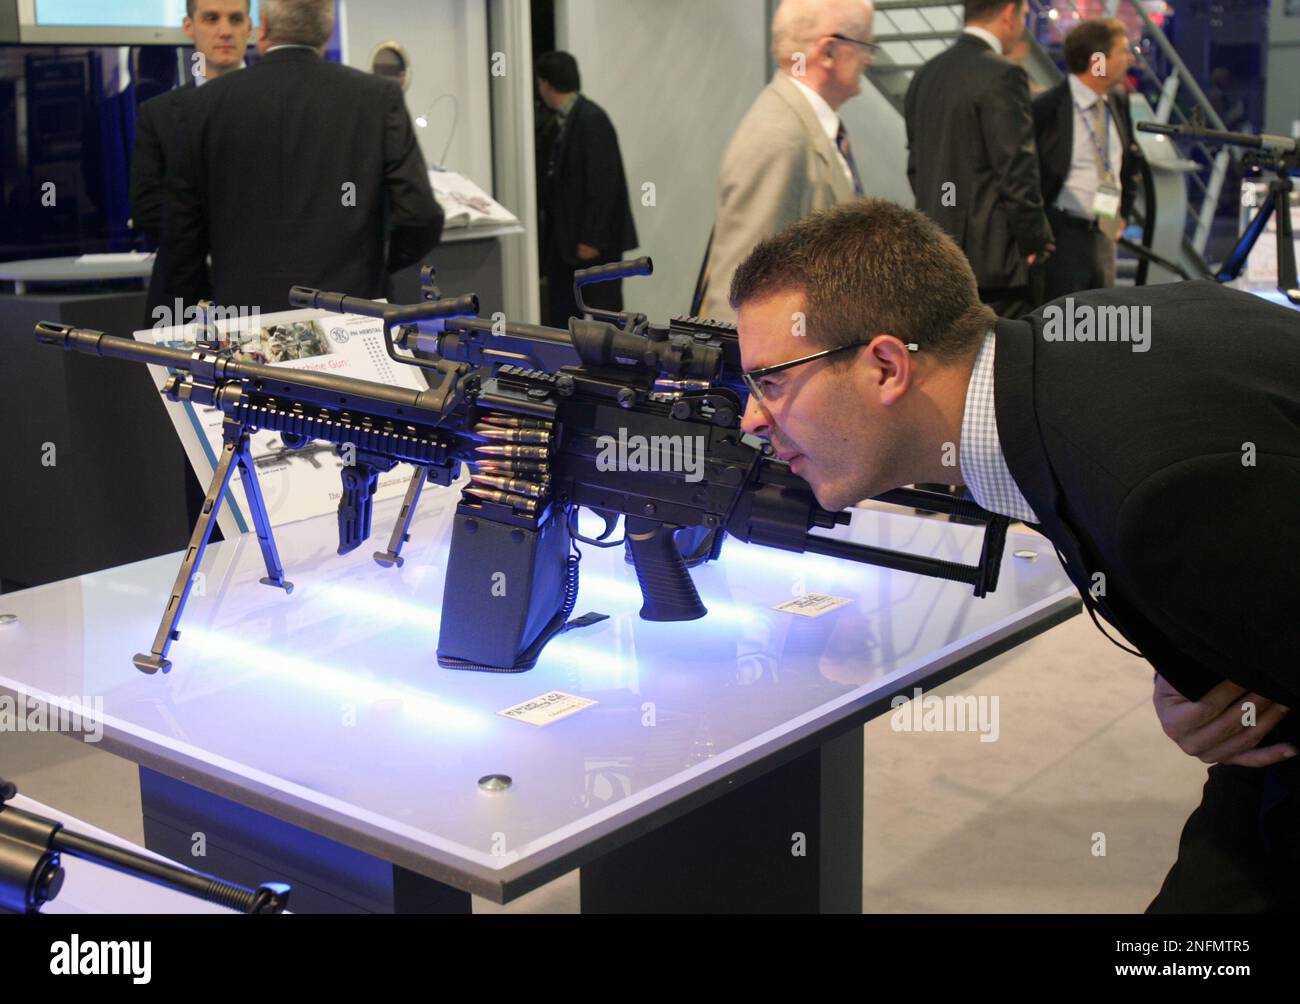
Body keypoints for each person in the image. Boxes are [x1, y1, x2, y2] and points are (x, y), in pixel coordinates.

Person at [730, 198, 1300, 912]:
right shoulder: (1066, 357)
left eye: (771, 380)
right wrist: (1204, 660)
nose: (753, 417)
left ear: (884, 366)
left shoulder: (1144, 493)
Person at [161, 0, 443, 315]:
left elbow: (181, 241)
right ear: (328, 30)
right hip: (352, 311)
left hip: (244, 321)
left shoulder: (203, 106)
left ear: (263, 28)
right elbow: (421, 216)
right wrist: (372, 266)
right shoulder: (377, 98)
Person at [696, 0, 874, 323]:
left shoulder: (805, 126)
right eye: (864, 44)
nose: (870, 58)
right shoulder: (780, 136)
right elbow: (739, 294)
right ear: (829, 52)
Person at [905, 0, 1053, 319]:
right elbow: (1017, 170)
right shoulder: (1004, 75)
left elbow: (916, 167)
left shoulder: (925, 74)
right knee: (1006, 361)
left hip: (937, 254)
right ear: (1008, 14)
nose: (1023, 26)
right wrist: (1035, 241)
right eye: (1024, 17)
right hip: (996, 264)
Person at [131, 0, 253, 323]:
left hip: (263, 289)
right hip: (182, 293)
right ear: (189, 26)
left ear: (250, 27)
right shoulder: (158, 114)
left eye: (235, 19)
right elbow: (147, 207)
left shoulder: (279, 109)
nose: (225, 30)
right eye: (211, 18)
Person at [1032, 18, 1144, 304]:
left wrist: (1123, 214)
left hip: (1106, 233)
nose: (1130, 58)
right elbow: (1027, 174)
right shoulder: (1047, 108)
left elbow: (1128, 162)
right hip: (1064, 238)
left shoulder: (1118, 99)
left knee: (1101, 328)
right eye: (1122, 51)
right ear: (1097, 61)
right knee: (1064, 328)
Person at [535, 51, 638, 328]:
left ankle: (617, 367)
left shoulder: (591, 119)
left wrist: (592, 239)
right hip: (569, 243)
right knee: (566, 312)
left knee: (605, 313)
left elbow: (603, 184)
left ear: (546, 84)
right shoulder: (562, 121)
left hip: (594, 246)